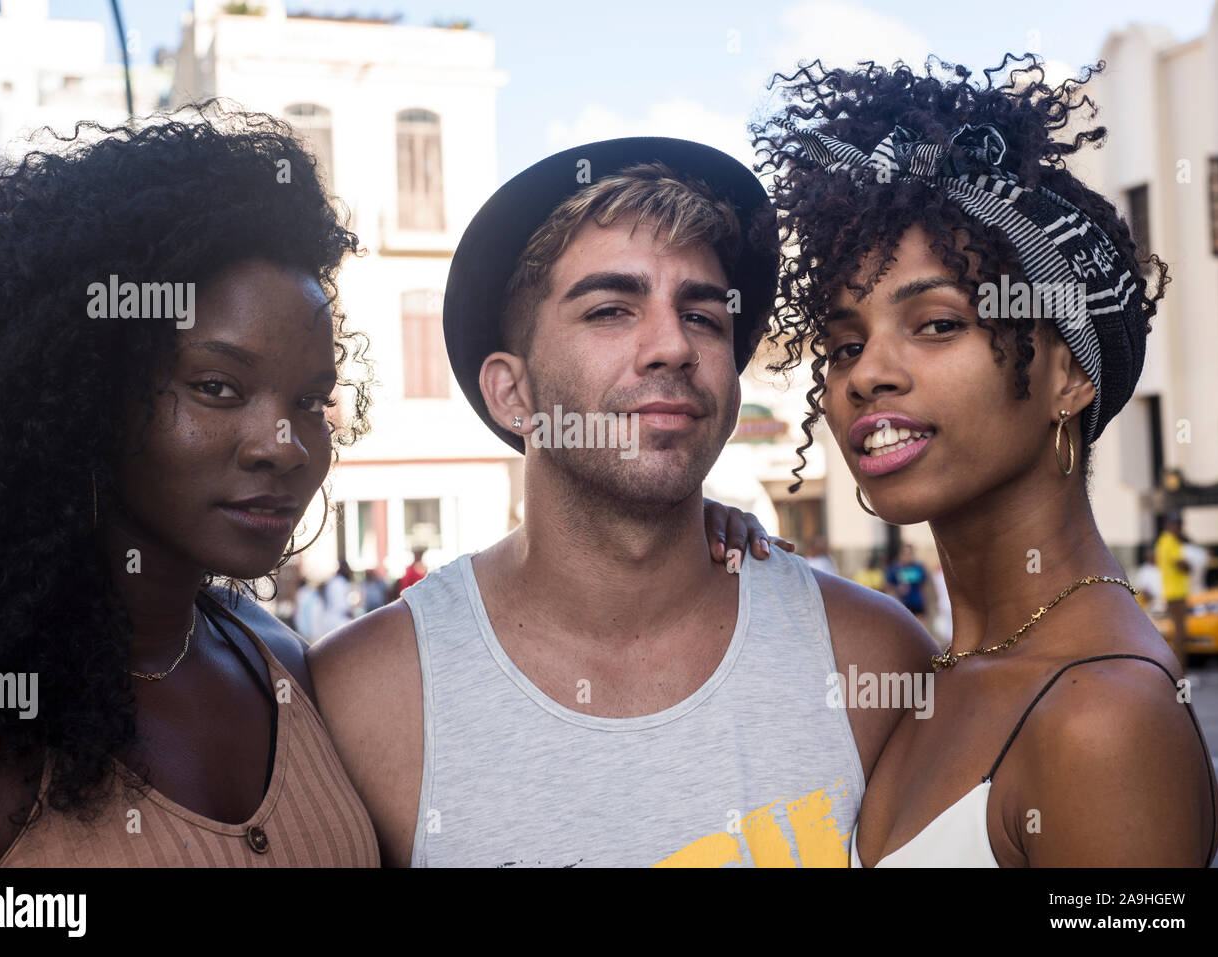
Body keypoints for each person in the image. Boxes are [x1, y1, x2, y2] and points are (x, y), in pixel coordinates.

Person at [309, 137, 934, 867]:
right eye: (611, 309)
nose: (671, 344)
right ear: (513, 392)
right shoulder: (365, 697)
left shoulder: (873, 661)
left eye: (703, 316)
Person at [714, 53, 1218, 865]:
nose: (866, 373)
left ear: (1070, 374)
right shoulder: (931, 674)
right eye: (845, 342)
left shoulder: (1103, 718)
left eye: (939, 323)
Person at [0, 103, 379, 866]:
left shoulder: (292, 667)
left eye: (309, 400)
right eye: (217, 385)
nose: (284, 445)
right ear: (86, 390)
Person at [1155, 513, 1192, 672]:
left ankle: (1179, 671)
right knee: (1180, 635)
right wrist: (1189, 565)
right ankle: (1180, 672)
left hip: (1172, 593)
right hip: (1175, 594)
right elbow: (1181, 565)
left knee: (1178, 634)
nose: (1180, 529)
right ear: (1169, 525)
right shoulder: (1169, 541)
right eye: (1177, 525)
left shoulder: (1164, 541)